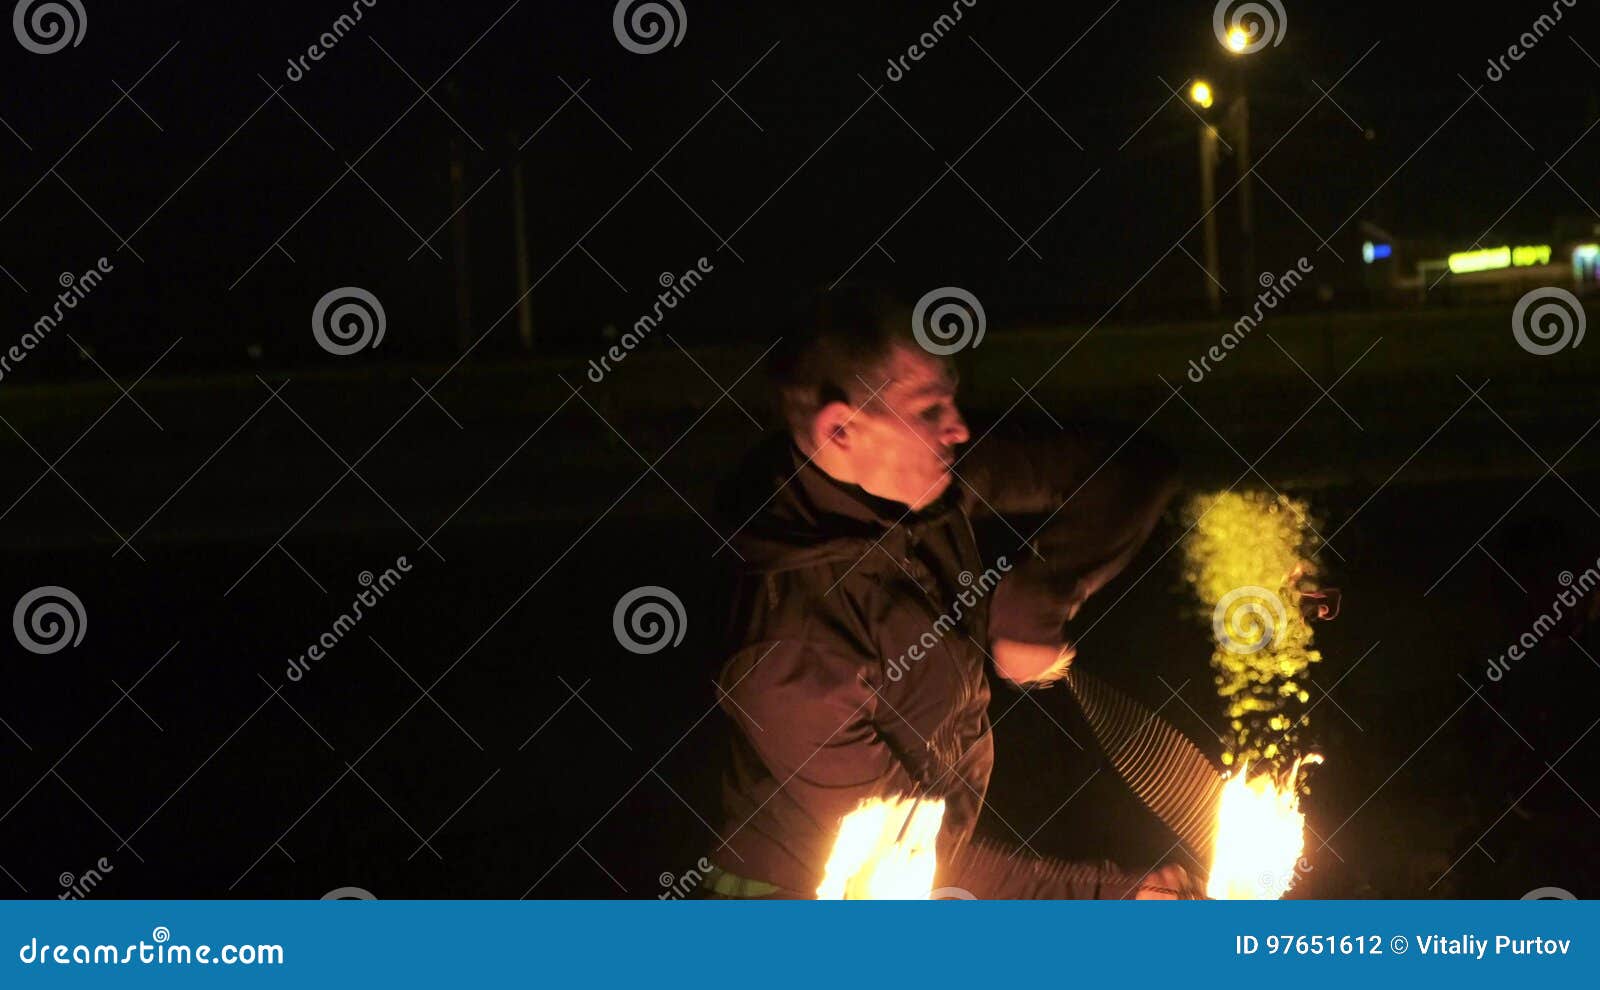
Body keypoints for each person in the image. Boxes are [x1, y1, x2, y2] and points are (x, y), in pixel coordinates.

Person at [706, 288, 1188, 899]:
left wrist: (1039, 595)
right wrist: (1114, 896)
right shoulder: (791, 655)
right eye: (930, 409)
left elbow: (1134, 467)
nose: (959, 427)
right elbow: (911, 863)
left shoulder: (921, 483)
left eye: (952, 398)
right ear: (841, 430)